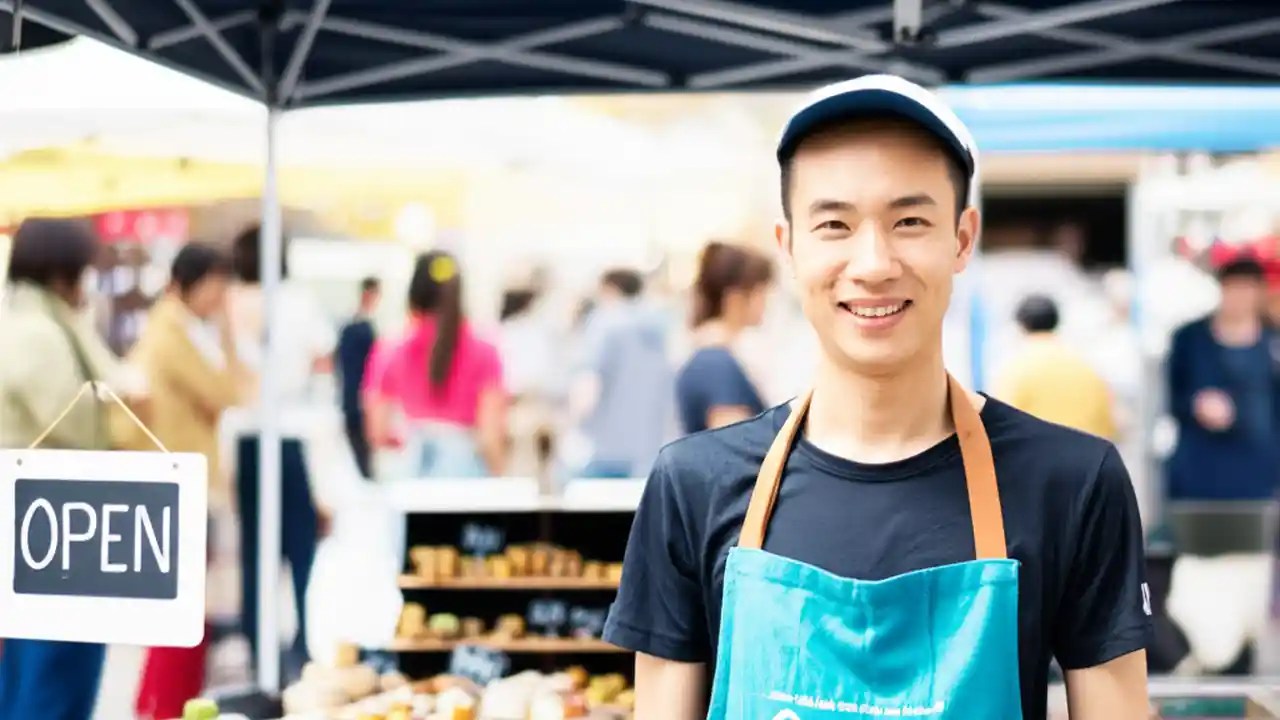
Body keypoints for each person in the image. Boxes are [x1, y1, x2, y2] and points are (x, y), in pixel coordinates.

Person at [603, 75, 1150, 720]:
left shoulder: (1072, 483)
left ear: (962, 239)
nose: (873, 263)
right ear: (790, 249)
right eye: (834, 223)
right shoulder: (693, 486)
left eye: (910, 221)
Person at [0, 218, 143, 720]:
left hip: (37, 517)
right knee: (55, 666)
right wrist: (124, 403)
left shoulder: (27, 321)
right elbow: (77, 422)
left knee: (30, 662)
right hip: (57, 518)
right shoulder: (40, 333)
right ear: (63, 274)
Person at [127, 242, 246, 720]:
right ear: (188, 283)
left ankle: (164, 704)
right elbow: (228, 390)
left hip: (181, 482)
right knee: (182, 612)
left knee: (184, 609)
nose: (221, 296)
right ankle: (164, 707)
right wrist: (229, 332)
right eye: (216, 284)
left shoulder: (177, 330)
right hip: (179, 484)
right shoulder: (173, 334)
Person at [227, 224, 335, 679]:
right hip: (291, 434)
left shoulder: (232, 301)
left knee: (255, 551)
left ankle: (259, 645)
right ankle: (302, 640)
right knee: (300, 547)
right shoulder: (299, 300)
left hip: (247, 435)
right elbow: (323, 356)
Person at [368, 250, 507, 477]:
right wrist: (499, 475)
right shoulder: (485, 350)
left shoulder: (390, 349)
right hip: (466, 480)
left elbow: (379, 430)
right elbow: (490, 437)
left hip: (410, 475)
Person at [1166, 256, 1280, 501]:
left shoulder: (1273, 342)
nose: (1239, 298)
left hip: (1260, 472)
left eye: (1247, 289)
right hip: (1200, 468)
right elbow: (1173, 397)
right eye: (1233, 288)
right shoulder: (1189, 339)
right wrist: (1197, 405)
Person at [569, 268, 674, 478]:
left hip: (605, 452)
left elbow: (587, 386)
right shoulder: (660, 327)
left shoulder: (605, 323)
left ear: (609, 290)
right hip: (650, 453)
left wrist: (573, 429)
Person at [674, 241, 773, 434]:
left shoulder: (709, 355)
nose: (767, 302)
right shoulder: (716, 364)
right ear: (736, 298)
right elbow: (737, 452)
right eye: (761, 292)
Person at [994, 293, 1117, 439]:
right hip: (1089, 457)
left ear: (1022, 326)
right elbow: (1109, 425)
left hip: (1038, 457)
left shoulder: (1016, 369)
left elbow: (1000, 427)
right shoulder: (1086, 367)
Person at [336, 276, 381, 478]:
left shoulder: (348, 327)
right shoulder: (361, 329)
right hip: (359, 402)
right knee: (362, 462)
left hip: (350, 400)